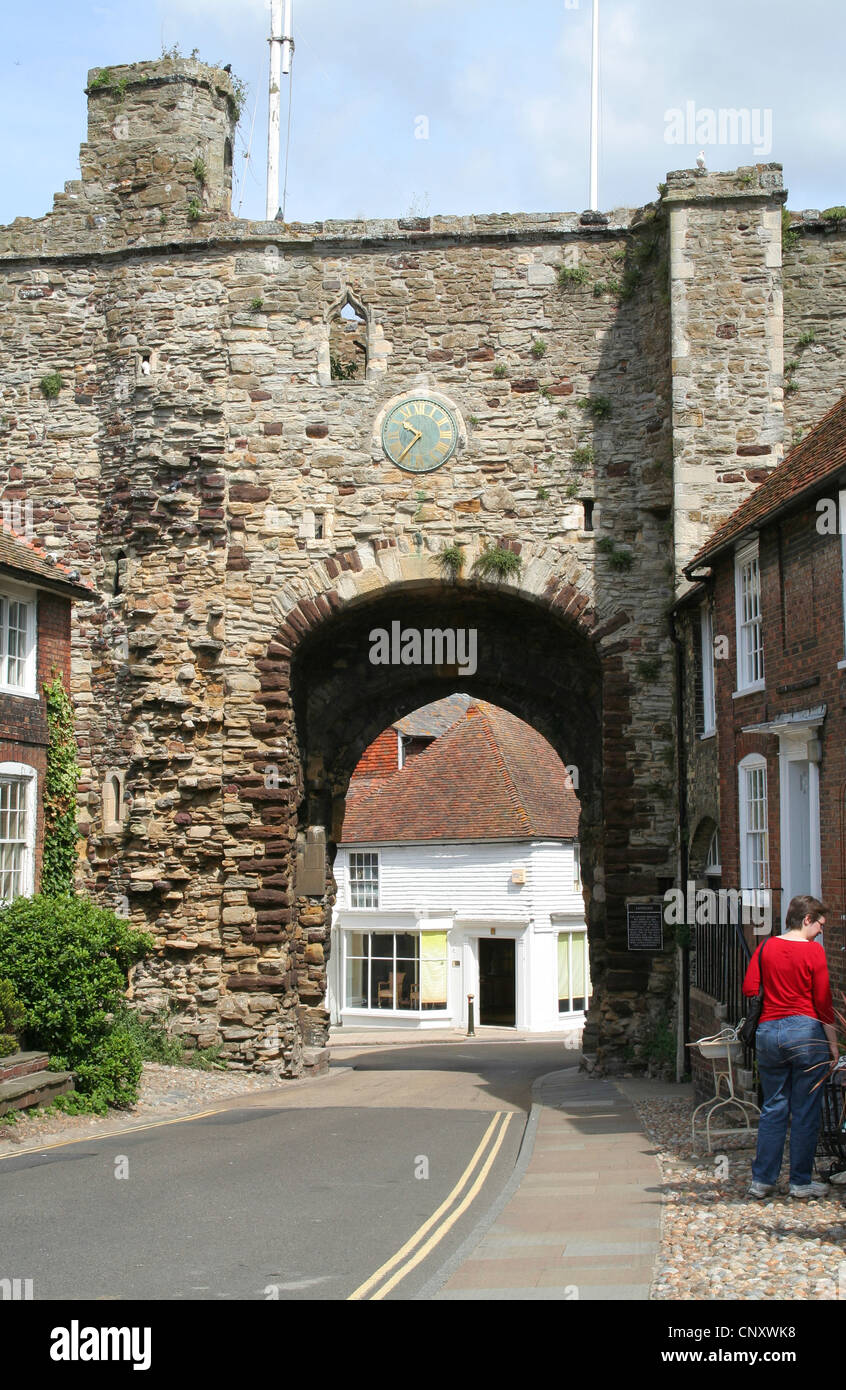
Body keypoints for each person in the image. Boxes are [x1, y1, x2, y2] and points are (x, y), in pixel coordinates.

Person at [742, 895, 839, 1199]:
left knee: (773, 1107)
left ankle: (762, 1181)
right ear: (807, 919)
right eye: (820, 924)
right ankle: (799, 1182)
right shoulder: (813, 952)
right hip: (805, 1033)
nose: (821, 931)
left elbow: (749, 988)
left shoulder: (766, 947)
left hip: (769, 1032)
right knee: (806, 1110)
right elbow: (823, 1002)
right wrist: (834, 1045)